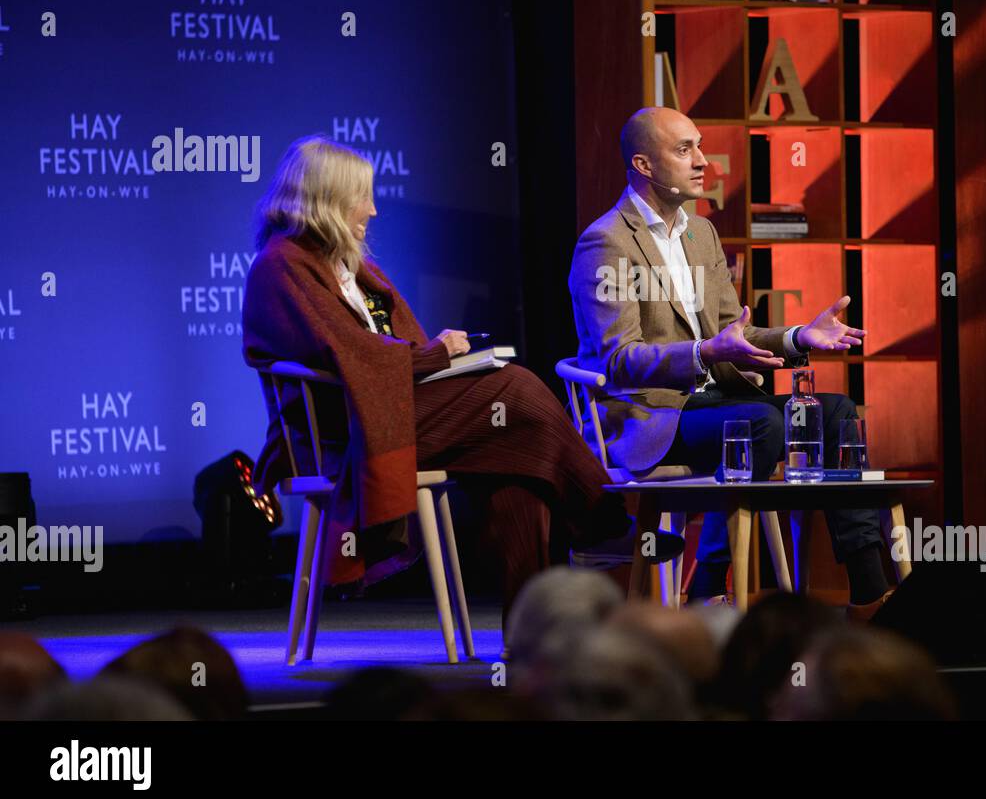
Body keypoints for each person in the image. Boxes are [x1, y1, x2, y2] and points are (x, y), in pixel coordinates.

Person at [242, 134, 678, 627]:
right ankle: (606, 523)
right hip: (345, 432)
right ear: (326, 203)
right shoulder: (281, 266)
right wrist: (432, 356)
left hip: (392, 409)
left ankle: (529, 631)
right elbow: (350, 354)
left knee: (519, 460)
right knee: (512, 389)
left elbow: (376, 352)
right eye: (361, 198)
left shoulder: (350, 265)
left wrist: (437, 360)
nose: (373, 210)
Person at [568, 107, 894, 618]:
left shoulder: (701, 234)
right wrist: (702, 353)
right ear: (644, 165)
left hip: (714, 402)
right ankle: (707, 588)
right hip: (650, 414)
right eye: (684, 150)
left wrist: (797, 336)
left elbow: (733, 333)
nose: (702, 162)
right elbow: (618, 359)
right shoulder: (606, 241)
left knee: (832, 411)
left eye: (699, 146)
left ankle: (870, 595)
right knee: (758, 422)